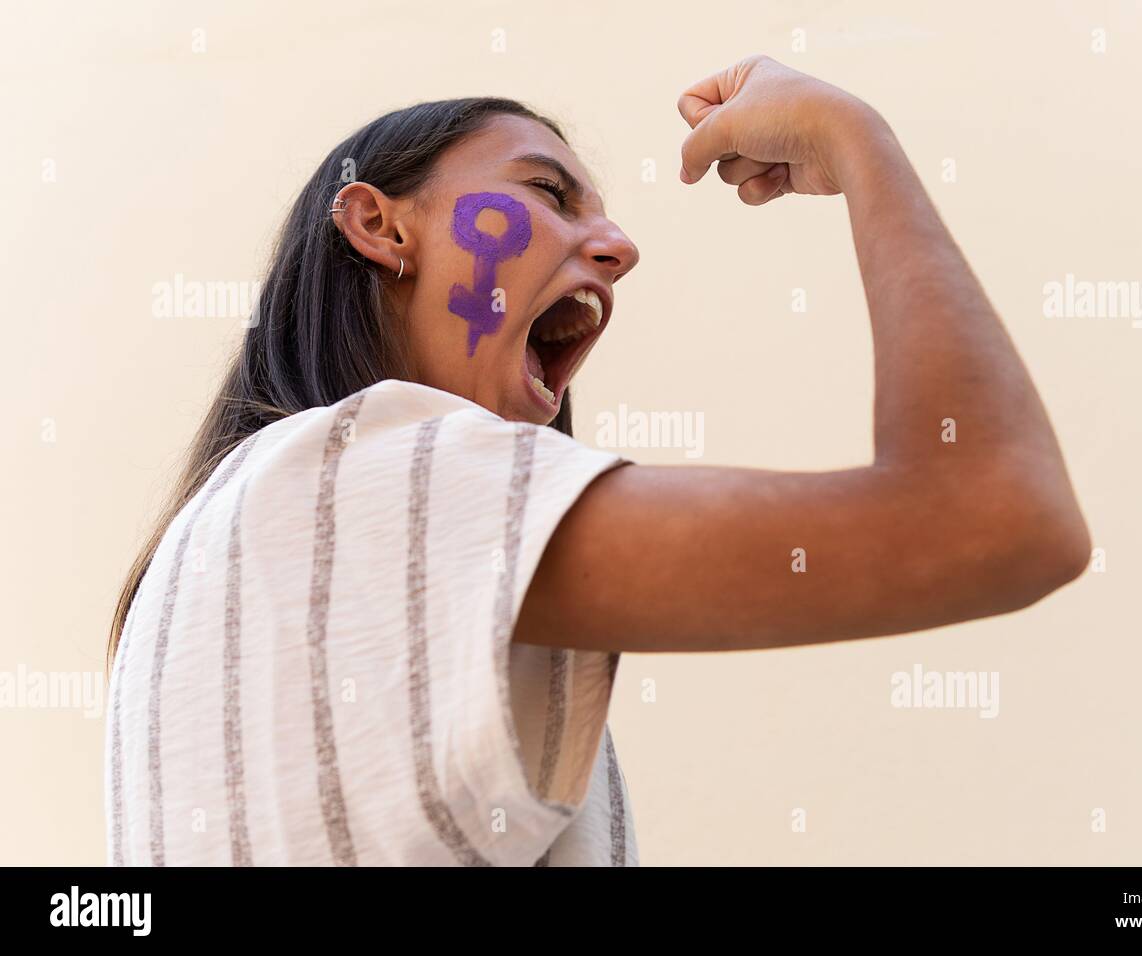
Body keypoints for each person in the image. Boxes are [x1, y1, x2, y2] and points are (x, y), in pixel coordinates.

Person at [105, 55, 1090, 867]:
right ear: (379, 224)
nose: (616, 246)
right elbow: (1000, 514)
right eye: (545, 191)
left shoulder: (213, 556)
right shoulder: (372, 472)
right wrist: (859, 144)